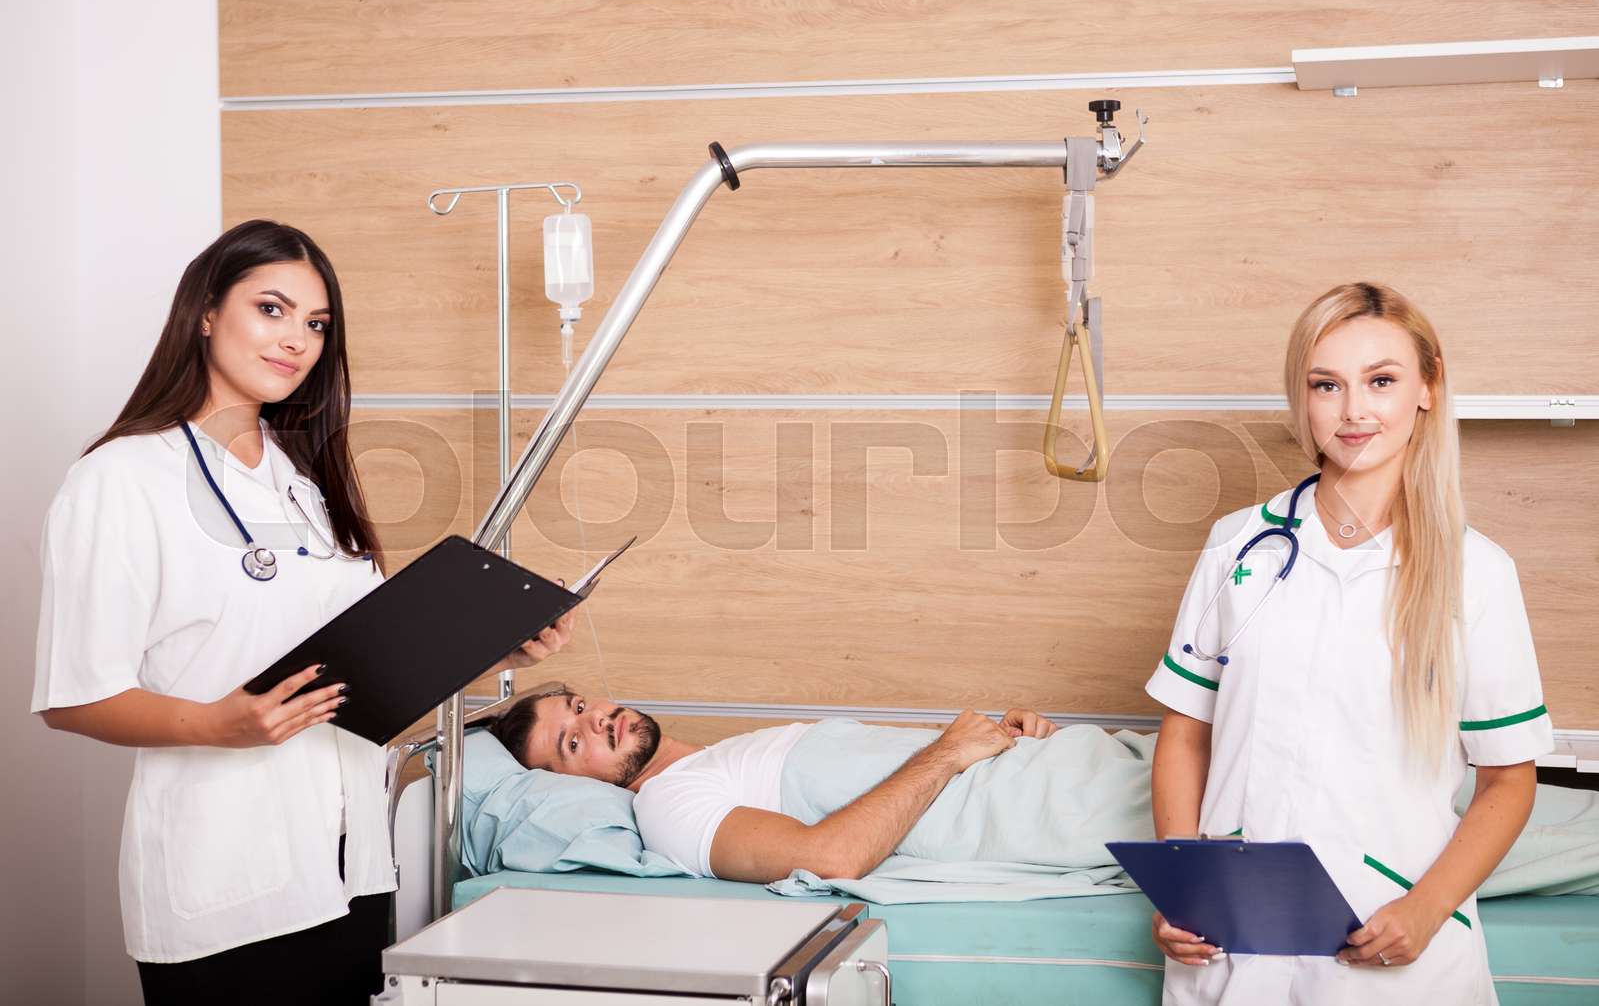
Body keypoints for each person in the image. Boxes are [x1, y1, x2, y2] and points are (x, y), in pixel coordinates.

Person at [31, 220, 574, 1005]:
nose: (297, 340)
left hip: (349, 868)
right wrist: (221, 724)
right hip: (225, 878)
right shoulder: (122, 478)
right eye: (272, 309)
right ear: (206, 312)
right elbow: (75, 696)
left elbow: (356, 667)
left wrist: (493, 649)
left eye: (316, 324)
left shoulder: (299, 478)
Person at [1145, 283, 1550, 1004]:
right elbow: (1183, 735)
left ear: (1426, 388)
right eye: (1325, 385)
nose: (1354, 410)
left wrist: (1424, 910)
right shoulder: (1239, 547)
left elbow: (1507, 781)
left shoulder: (1475, 574)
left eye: (1381, 381)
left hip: (1391, 942)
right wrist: (1184, 887)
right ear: (1301, 398)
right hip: (1230, 942)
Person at [489, 688, 1062, 882]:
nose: (594, 721)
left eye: (580, 705)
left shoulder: (718, 757)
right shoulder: (669, 806)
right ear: (567, 786)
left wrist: (1012, 739)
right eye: (571, 743)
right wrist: (949, 751)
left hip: (1039, 771)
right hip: (1034, 810)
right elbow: (831, 857)